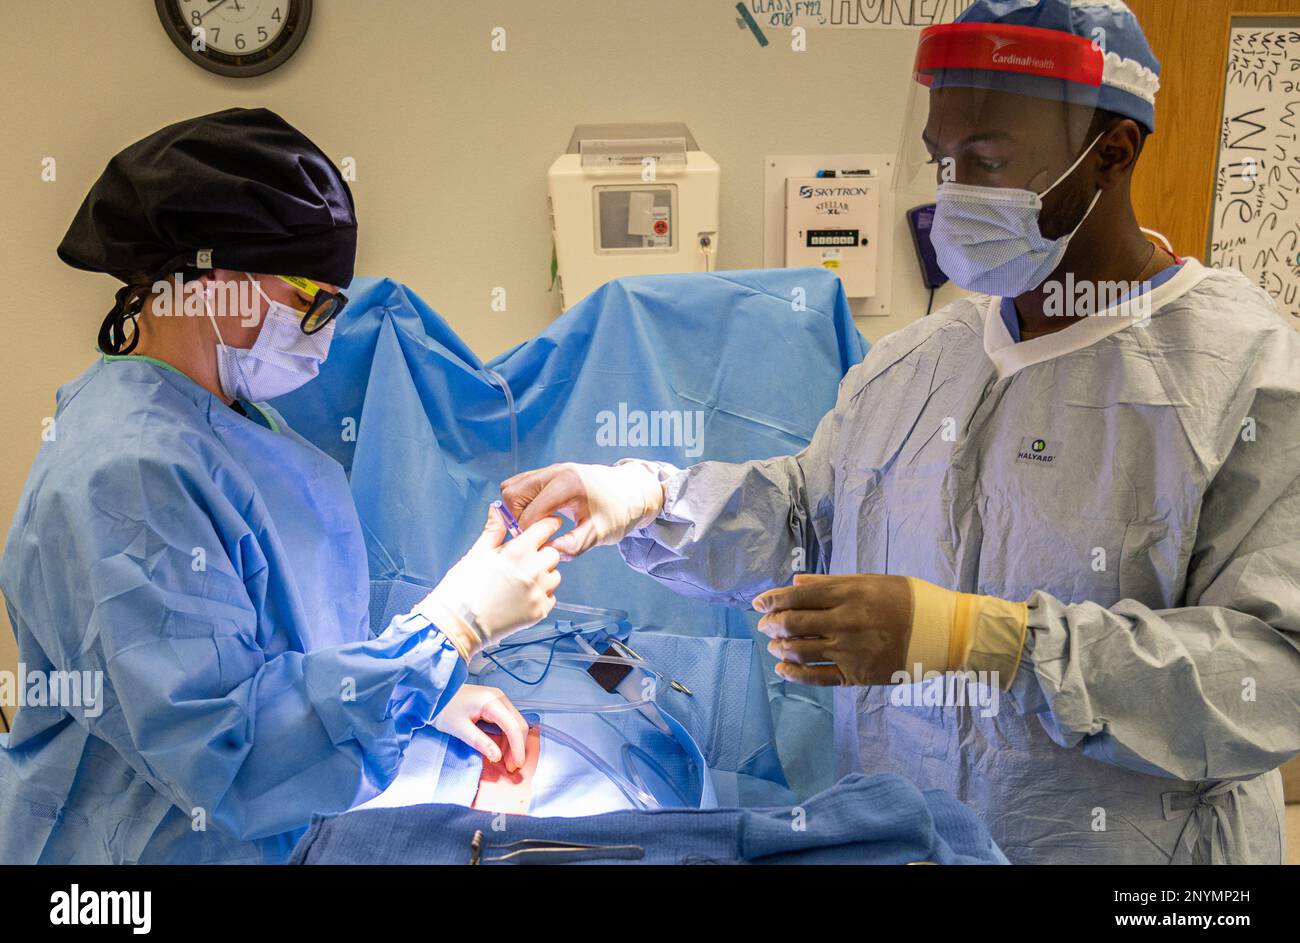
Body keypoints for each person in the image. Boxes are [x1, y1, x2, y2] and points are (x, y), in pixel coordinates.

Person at [501, 0, 1300, 864]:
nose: (954, 190)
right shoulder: (918, 364)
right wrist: (648, 497)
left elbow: (1271, 673)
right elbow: (809, 520)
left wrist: (979, 643)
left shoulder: (1243, 374)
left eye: (988, 160)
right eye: (942, 159)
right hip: (904, 841)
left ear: (1112, 151)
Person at [0, 108, 561, 864]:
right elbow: (224, 759)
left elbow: (275, 647)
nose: (326, 329)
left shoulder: (228, 420)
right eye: (311, 300)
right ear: (216, 282)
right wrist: (450, 630)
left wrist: (421, 699)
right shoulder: (130, 471)